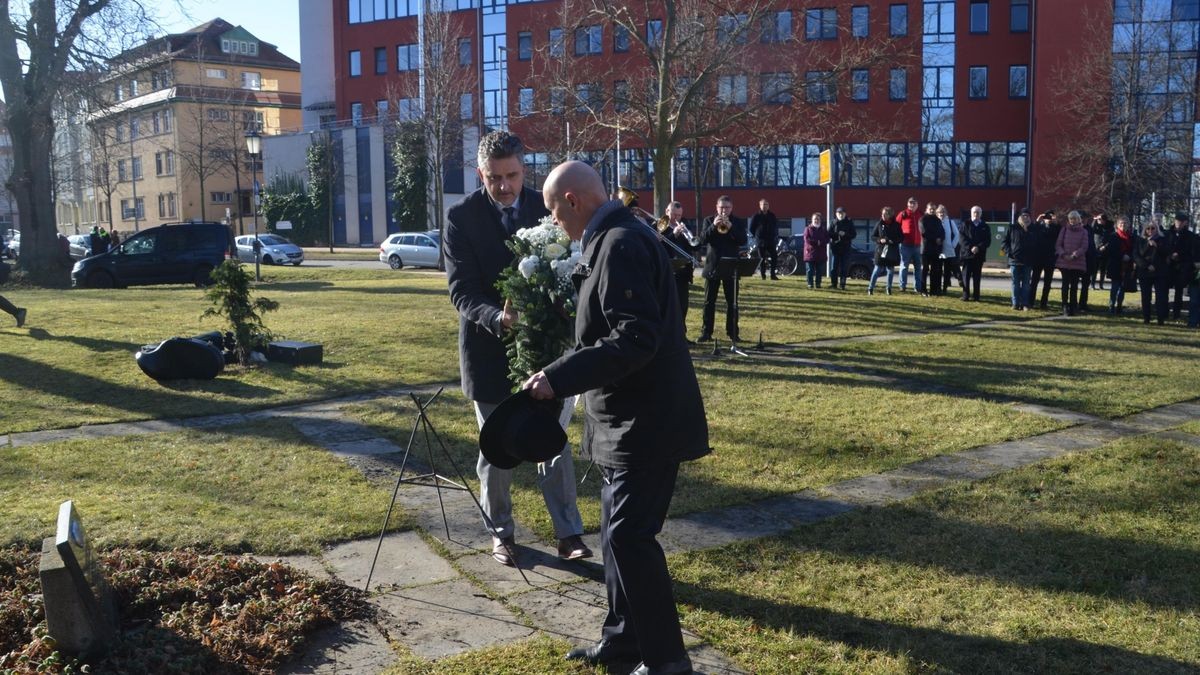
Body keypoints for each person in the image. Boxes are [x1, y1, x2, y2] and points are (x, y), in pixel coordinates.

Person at [525, 160, 708, 675]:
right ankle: (623, 642)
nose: (555, 223)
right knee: (613, 532)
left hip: (647, 423)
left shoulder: (621, 243)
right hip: (624, 421)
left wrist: (558, 377)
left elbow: (635, 338)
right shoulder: (612, 239)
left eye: (553, 212)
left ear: (573, 201)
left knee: (630, 537)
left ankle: (667, 660)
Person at [442, 130, 590, 567]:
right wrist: (498, 318)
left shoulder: (544, 205)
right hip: (488, 355)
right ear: (479, 174)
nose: (505, 186)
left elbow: (573, 262)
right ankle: (501, 534)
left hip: (548, 349)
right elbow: (461, 291)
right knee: (497, 448)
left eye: (512, 175)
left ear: (525, 171)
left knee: (554, 444)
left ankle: (569, 535)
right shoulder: (460, 217)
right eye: (495, 178)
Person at [696, 195, 747, 343]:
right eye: (721, 207)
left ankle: (733, 333)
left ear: (732, 208)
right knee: (708, 302)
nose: (724, 210)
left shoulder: (737, 222)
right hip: (712, 265)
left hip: (731, 266)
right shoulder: (708, 220)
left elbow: (742, 240)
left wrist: (730, 227)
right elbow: (702, 240)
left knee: (732, 302)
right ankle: (706, 332)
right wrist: (713, 226)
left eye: (727, 207)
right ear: (717, 207)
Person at [661, 201, 699, 329]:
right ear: (667, 212)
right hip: (667, 271)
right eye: (673, 214)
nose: (676, 218)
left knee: (683, 305)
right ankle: (669, 335)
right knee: (669, 305)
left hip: (683, 271)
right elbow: (658, 246)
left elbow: (694, 247)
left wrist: (690, 237)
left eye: (679, 215)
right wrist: (673, 234)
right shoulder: (660, 225)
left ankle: (682, 334)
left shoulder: (685, 225)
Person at [1134, 222, 1170, 324]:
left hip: (1159, 272)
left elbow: (1167, 252)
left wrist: (1156, 245)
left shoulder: (1162, 239)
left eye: (1153, 228)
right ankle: (1146, 318)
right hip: (1145, 271)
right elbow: (1136, 255)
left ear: (1157, 229)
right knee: (1146, 296)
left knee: (1160, 297)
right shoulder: (1140, 240)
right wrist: (1146, 265)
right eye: (1148, 229)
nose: (1150, 230)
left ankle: (1160, 319)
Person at [1056, 210, 1090, 316]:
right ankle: (1065, 305)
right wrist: (1063, 254)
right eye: (1071, 219)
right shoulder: (1064, 230)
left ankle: (1073, 306)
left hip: (1077, 262)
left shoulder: (1084, 231)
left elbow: (1084, 246)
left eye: (1074, 218)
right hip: (1064, 261)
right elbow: (1058, 244)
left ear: (1078, 219)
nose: (1072, 221)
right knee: (1065, 285)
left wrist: (1074, 255)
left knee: (1074, 285)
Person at [1002, 211, 1037, 310]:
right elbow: (1004, 242)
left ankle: (1025, 303)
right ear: (1020, 217)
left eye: (1027, 215)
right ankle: (1015, 303)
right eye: (1023, 215)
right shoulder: (1013, 228)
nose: (1025, 217)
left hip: (1028, 261)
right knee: (1015, 283)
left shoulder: (1033, 229)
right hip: (1015, 260)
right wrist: (1009, 253)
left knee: (1026, 284)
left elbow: (1037, 243)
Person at [1102, 216, 1136, 315]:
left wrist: (1129, 256)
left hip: (1127, 265)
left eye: (1125, 223)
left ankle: (1119, 306)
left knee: (1122, 287)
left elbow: (1134, 250)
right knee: (1115, 287)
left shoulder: (1132, 237)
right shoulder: (1113, 236)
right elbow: (1111, 250)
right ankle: (1111, 306)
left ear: (1128, 225)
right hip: (1116, 264)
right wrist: (1122, 256)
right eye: (1121, 223)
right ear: (1117, 225)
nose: (1123, 225)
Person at [1165, 212, 1195, 320]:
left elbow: (1190, 251)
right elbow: (1164, 247)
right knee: (1164, 290)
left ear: (1185, 223)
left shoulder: (1190, 236)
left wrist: (1179, 255)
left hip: (1181, 267)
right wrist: (1170, 255)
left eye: (1181, 222)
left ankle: (1176, 314)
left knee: (1179, 291)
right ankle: (1164, 312)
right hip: (1168, 265)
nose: (1179, 223)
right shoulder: (1167, 233)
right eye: (1177, 221)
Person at [868, 206, 902, 295]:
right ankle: (870, 288)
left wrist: (893, 241)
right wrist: (880, 240)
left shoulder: (896, 225)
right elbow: (873, 236)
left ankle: (889, 289)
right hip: (881, 250)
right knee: (877, 270)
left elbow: (901, 237)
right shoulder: (879, 224)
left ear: (890, 215)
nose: (883, 215)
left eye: (885, 214)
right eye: (882, 213)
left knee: (890, 271)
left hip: (892, 251)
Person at [958, 206, 990, 302]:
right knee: (966, 276)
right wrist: (971, 247)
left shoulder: (985, 226)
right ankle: (965, 295)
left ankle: (976, 296)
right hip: (967, 255)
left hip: (979, 255)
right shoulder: (965, 224)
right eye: (974, 212)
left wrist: (978, 247)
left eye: (978, 212)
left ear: (981, 214)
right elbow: (962, 239)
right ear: (971, 213)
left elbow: (987, 240)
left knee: (977, 277)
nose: (976, 214)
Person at [1029, 211, 1060, 310]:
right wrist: (1038, 220)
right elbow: (1031, 230)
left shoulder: (1055, 228)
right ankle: (1031, 302)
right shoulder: (1039, 226)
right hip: (1038, 258)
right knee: (1034, 282)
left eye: (1050, 217)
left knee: (1047, 283)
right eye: (1047, 217)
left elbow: (1060, 233)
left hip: (1050, 258)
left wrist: (1056, 222)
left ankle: (1044, 303)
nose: (1048, 219)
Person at [896, 196, 924, 293]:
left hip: (917, 245)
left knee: (918, 267)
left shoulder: (921, 214)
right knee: (904, 266)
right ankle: (902, 286)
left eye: (914, 203)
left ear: (917, 204)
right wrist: (900, 238)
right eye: (910, 203)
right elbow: (896, 227)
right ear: (907, 204)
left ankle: (918, 287)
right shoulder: (903, 214)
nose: (912, 205)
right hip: (905, 245)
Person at [749, 198, 779, 280]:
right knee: (762, 259)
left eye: (766, 205)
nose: (765, 206)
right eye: (763, 205)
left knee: (774, 257)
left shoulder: (772, 215)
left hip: (771, 240)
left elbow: (776, 226)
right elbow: (751, 228)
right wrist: (757, 236)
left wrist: (775, 235)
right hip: (761, 241)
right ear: (760, 205)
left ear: (768, 206)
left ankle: (773, 275)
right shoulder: (756, 216)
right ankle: (763, 275)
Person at [934, 204, 960, 296]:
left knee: (947, 271)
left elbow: (957, 234)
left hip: (948, 250)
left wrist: (953, 245)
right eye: (939, 212)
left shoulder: (950, 222)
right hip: (938, 250)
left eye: (942, 212)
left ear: (945, 213)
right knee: (938, 270)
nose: (941, 214)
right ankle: (938, 288)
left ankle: (945, 288)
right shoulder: (935, 222)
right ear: (936, 213)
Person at [828, 207, 856, 290]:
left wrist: (845, 234)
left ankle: (842, 284)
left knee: (844, 267)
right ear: (836, 214)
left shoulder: (849, 222)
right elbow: (829, 233)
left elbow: (854, 234)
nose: (840, 214)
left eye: (842, 213)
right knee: (834, 267)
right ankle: (834, 284)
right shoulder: (833, 222)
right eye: (839, 213)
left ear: (845, 214)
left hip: (846, 248)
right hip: (835, 248)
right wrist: (837, 234)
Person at [918, 202, 942, 296]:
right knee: (925, 270)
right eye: (930, 209)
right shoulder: (922, 219)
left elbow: (942, 231)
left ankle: (933, 290)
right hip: (926, 249)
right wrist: (936, 238)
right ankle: (923, 290)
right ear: (926, 209)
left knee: (934, 270)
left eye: (933, 209)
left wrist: (941, 238)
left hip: (935, 249)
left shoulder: (937, 220)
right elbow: (924, 233)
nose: (932, 210)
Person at [802, 212, 829, 289]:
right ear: (812, 220)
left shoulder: (823, 230)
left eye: (818, 219)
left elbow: (827, 239)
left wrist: (821, 242)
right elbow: (807, 239)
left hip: (820, 253)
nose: (816, 220)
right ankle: (810, 283)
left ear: (820, 220)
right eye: (814, 219)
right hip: (810, 253)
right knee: (810, 270)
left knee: (819, 271)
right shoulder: (808, 229)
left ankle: (818, 284)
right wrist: (817, 242)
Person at [1091, 212, 1114, 290]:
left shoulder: (1110, 227)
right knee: (1094, 268)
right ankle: (1092, 284)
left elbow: (1111, 239)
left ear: (1104, 220)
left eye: (1100, 219)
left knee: (1103, 269)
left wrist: (1105, 246)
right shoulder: (1096, 226)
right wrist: (1095, 220)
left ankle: (1101, 285)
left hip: (1105, 251)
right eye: (1098, 219)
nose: (1099, 220)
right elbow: (1092, 228)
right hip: (1096, 250)